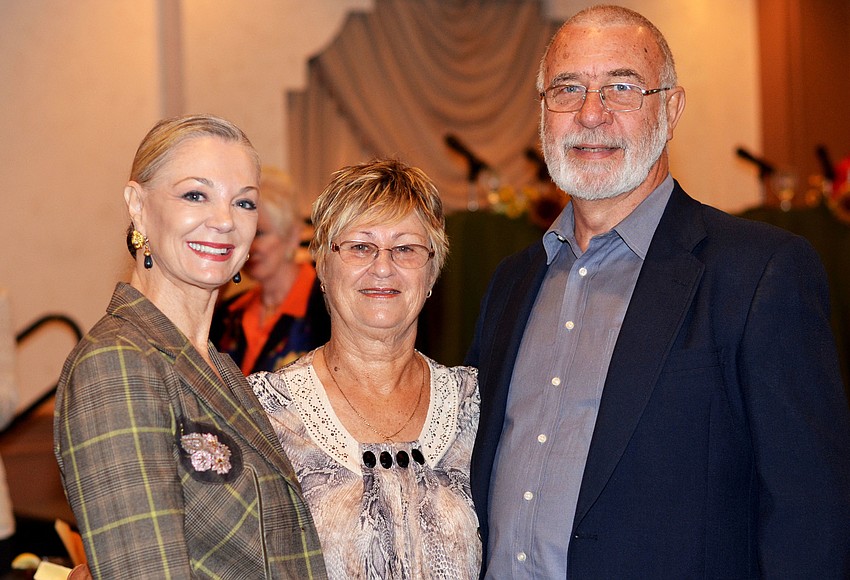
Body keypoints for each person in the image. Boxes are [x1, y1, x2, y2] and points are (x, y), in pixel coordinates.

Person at [467, 5, 850, 578]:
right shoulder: (511, 282)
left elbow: (811, 518)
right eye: (567, 89)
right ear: (543, 112)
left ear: (671, 109)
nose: (590, 113)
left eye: (621, 88)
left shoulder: (759, 274)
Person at [53, 115, 327, 579]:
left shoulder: (221, 368)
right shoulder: (117, 362)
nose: (224, 221)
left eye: (244, 202)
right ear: (137, 206)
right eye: (195, 195)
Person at [249, 159, 481, 579]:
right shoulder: (263, 413)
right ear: (322, 264)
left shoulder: (474, 405)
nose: (383, 267)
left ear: (432, 272)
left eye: (406, 249)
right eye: (360, 246)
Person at [211, 166, 330, 374]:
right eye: (242, 233)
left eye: (259, 234)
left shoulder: (326, 306)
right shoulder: (230, 312)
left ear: (292, 235)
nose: (249, 246)